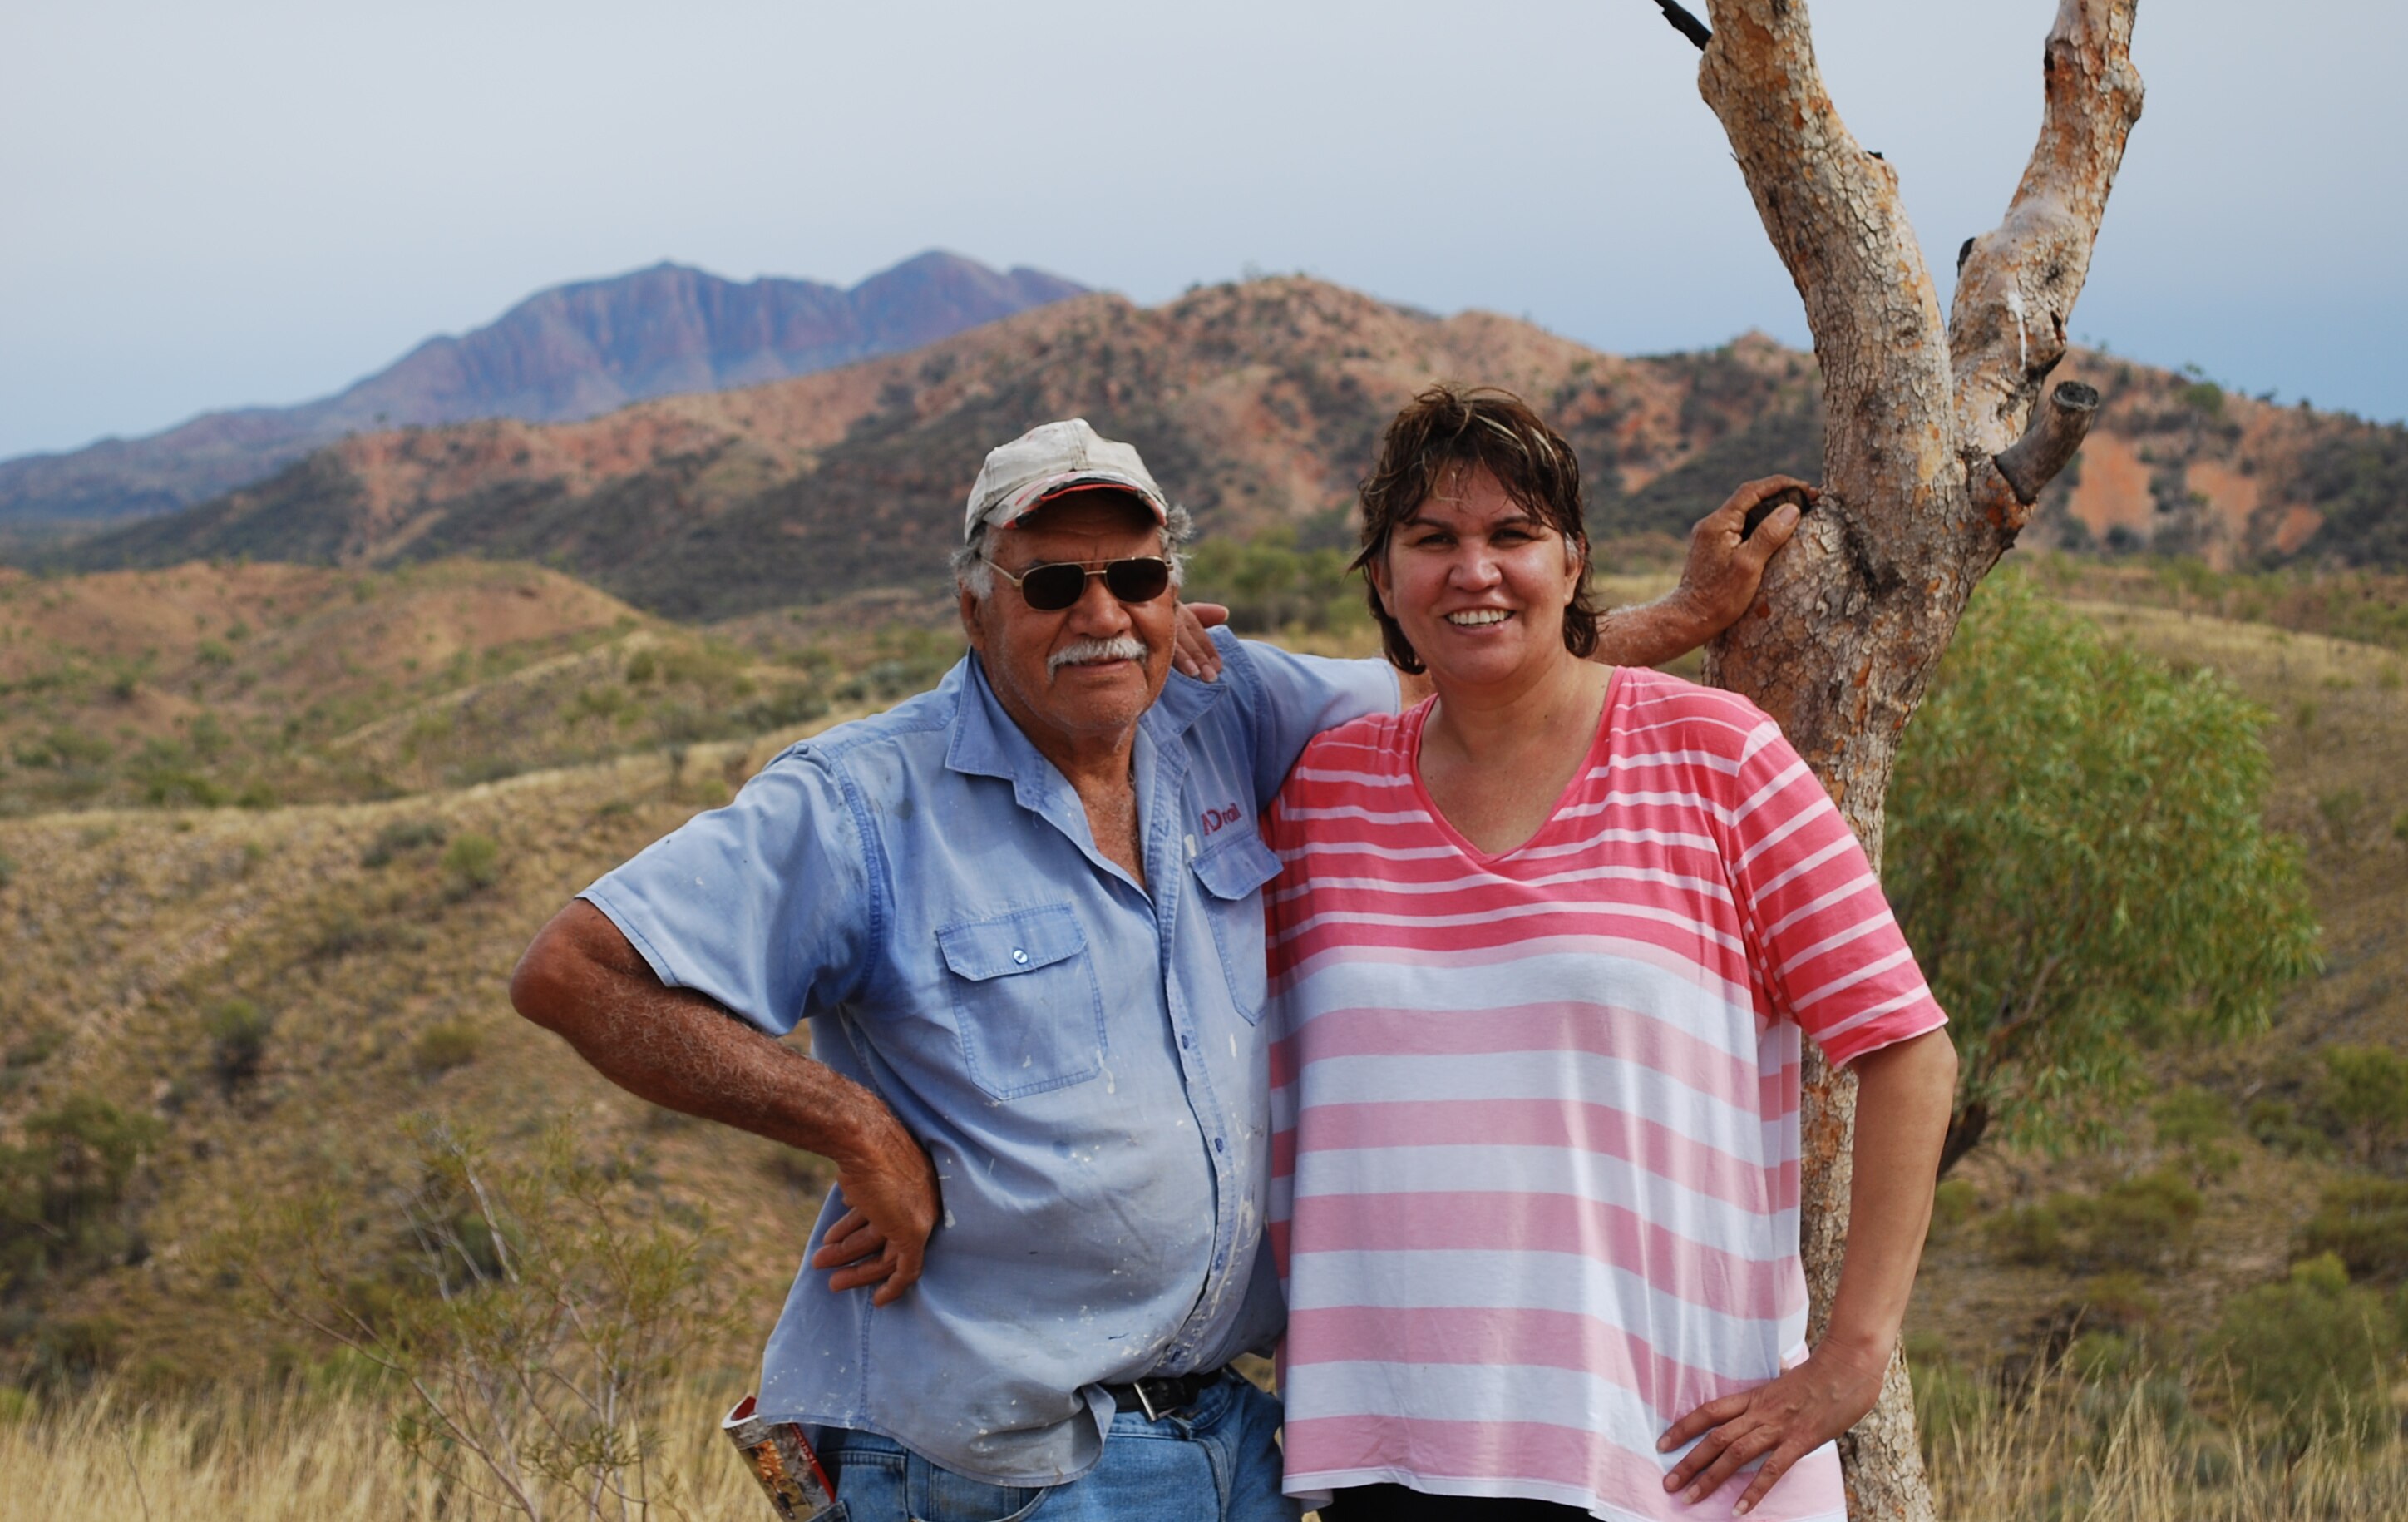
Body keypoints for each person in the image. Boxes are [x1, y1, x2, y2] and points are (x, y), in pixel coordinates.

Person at [509, 415, 1805, 1522]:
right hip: (997, 1454)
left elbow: (1485, 668)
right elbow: (575, 971)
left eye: (1132, 578)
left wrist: (1683, 618)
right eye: (1051, 585)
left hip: (1219, 1441)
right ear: (973, 603)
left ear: (1174, 592)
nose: (1101, 614)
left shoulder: (1229, 714)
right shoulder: (862, 804)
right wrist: (851, 1124)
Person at [1263, 387, 1957, 1522]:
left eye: (1512, 536)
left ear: (1574, 562)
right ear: (1383, 581)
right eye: (1431, 541)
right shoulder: (1324, 795)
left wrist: (1850, 1364)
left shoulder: (1714, 755)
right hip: (1397, 1454)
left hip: (1676, 1458)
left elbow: (1908, 1051)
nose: (1472, 571)